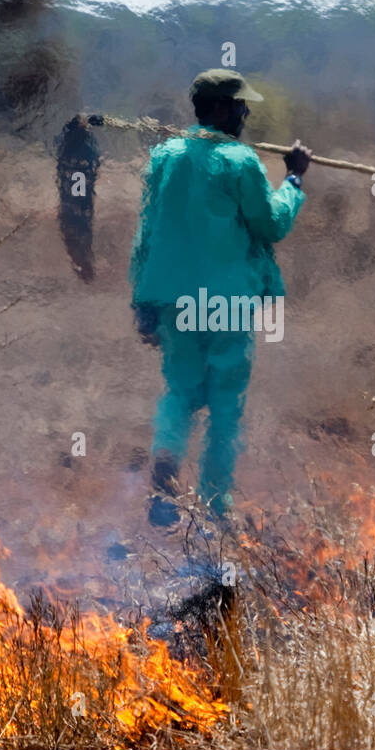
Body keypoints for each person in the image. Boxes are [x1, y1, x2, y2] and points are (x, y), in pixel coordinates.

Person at [130, 69, 312, 528]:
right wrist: (293, 179)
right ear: (220, 109)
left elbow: (146, 234)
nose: (245, 113)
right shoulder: (241, 161)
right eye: (240, 106)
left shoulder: (165, 156)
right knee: (226, 403)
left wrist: (143, 301)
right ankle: (215, 505)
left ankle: (167, 468)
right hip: (226, 302)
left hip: (173, 299)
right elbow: (271, 225)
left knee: (181, 392)